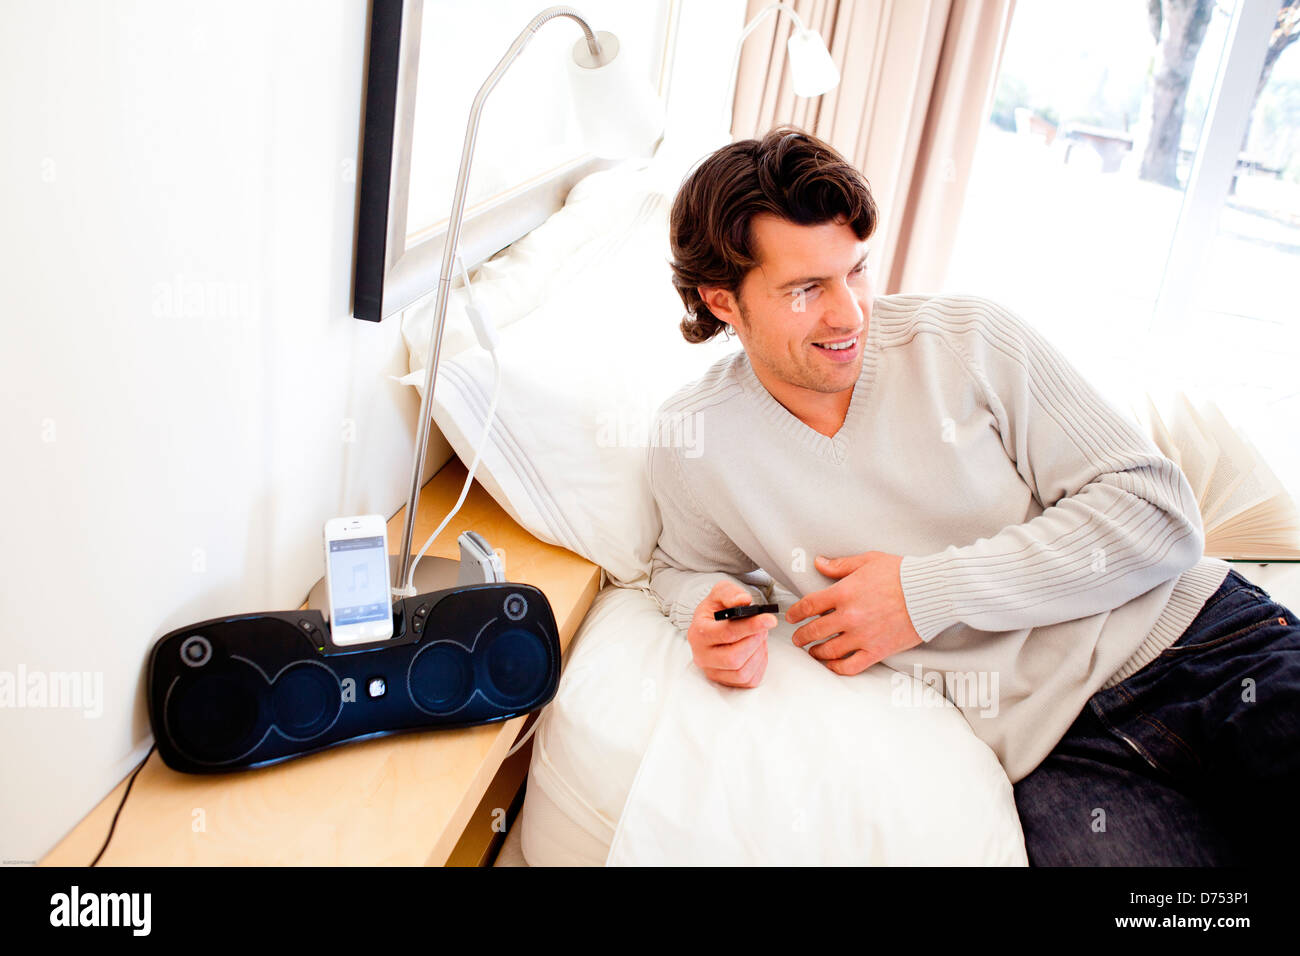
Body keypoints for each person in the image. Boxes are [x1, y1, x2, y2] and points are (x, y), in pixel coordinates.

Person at [646, 125, 1300, 866]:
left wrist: (927, 592)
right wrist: (703, 614)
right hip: (1057, 755)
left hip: (1204, 647)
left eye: (856, 271)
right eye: (805, 290)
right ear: (722, 301)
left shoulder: (966, 339)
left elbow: (1160, 510)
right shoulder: (695, 440)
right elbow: (680, 567)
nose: (850, 313)